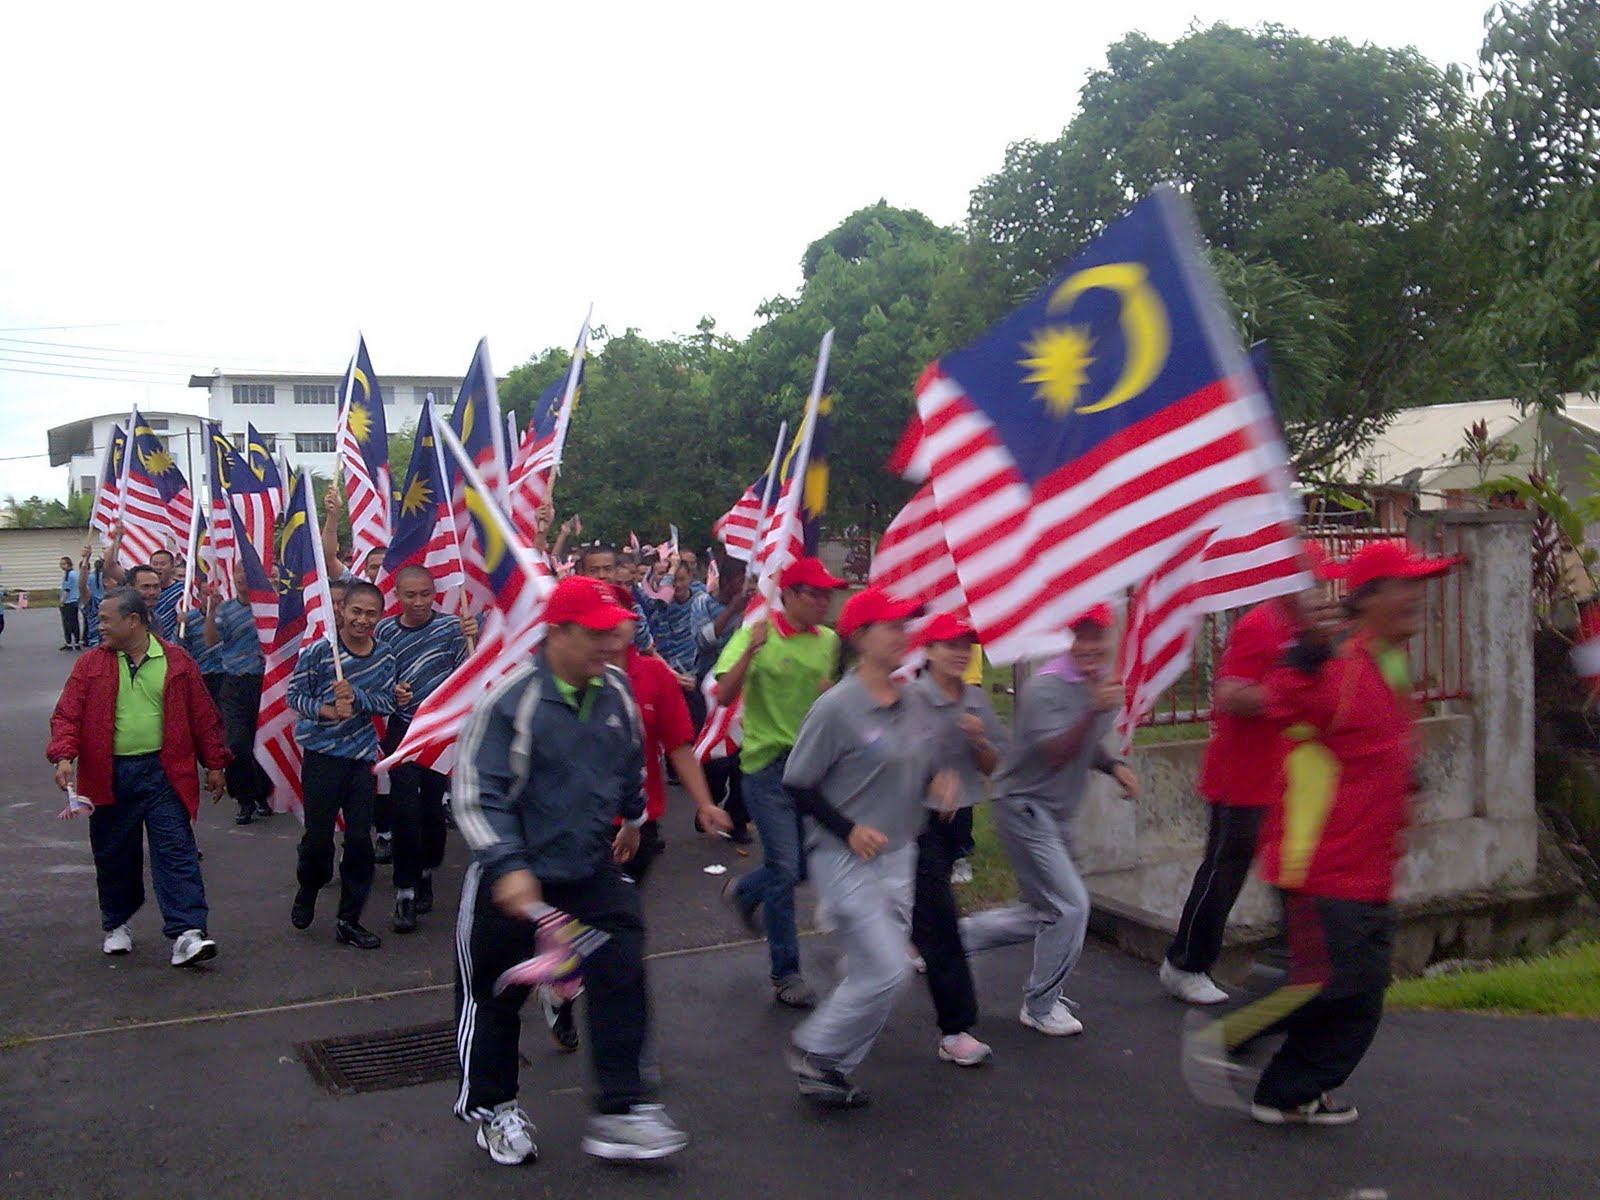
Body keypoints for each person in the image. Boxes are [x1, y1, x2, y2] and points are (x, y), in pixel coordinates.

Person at [1196, 538, 1459, 1127]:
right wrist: (1298, 655)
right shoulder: (1338, 665)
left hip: (1367, 864)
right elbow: (1282, 703)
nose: (1419, 596)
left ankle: (1290, 1090)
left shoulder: (1390, 664)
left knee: (1359, 996)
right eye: (1406, 584)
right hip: (1322, 865)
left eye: (1423, 583)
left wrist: (1408, 784)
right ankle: (1226, 1035)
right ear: (1367, 599)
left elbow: (1381, 742)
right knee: (1326, 985)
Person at [451, 575, 688, 1164]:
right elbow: (476, 793)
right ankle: (493, 1110)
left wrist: (633, 816)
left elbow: (630, 760)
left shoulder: (616, 691)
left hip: (588, 866)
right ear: (556, 633)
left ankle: (623, 1109)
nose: (610, 646)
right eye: (596, 635)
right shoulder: (512, 698)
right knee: (493, 994)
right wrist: (506, 864)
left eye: (615, 634)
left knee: (622, 968)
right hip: (514, 878)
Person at [782, 587, 962, 1106]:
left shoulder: (910, 701)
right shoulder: (836, 707)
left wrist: (940, 780)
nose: (903, 635)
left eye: (907, 626)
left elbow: (919, 760)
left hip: (900, 857)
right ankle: (815, 1050)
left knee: (874, 973)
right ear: (860, 637)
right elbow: (797, 783)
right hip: (845, 859)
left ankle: (830, 1069)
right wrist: (848, 829)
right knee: (890, 969)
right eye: (892, 626)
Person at [539, 586, 735, 1055]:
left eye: (620, 621)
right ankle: (575, 1000)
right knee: (600, 927)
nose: (612, 633)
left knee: (609, 927)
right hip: (580, 825)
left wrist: (705, 803)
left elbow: (678, 746)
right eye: (601, 625)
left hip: (637, 825)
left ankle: (576, 988)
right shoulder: (554, 680)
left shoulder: (652, 677)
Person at [1161, 545, 1341, 1005]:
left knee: (1296, 873)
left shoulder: (1311, 634)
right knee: (1225, 872)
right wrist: (1284, 697)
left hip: (1285, 778)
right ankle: (1185, 963)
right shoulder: (1261, 627)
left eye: (1322, 583)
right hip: (1240, 776)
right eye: (1312, 583)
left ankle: (1299, 971)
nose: (1320, 592)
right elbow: (1228, 694)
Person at [959, 604, 1140, 1037]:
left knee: (1042, 910)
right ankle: (1040, 1004)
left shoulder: (1097, 685)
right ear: (1070, 639)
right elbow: (1054, 751)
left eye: (1099, 637)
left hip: (1054, 811)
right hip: (1023, 806)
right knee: (1070, 905)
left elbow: (1087, 745)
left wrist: (1112, 766)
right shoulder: (1046, 688)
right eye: (1083, 636)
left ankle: (947, 940)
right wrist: (1093, 711)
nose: (1091, 646)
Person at [46, 586, 229, 965]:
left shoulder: (177, 662)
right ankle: (117, 924)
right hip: (108, 775)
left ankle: (187, 933)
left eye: (106, 620)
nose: (100, 627)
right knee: (114, 854)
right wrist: (63, 756)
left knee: (176, 851)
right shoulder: (90, 664)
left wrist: (214, 763)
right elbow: (68, 715)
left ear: (133, 621)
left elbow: (204, 718)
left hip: (165, 773)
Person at [716, 557, 847, 1008]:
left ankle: (746, 889)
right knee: (787, 868)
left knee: (809, 864)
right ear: (788, 595)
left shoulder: (828, 641)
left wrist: (832, 694)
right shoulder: (757, 635)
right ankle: (786, 972)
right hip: (766, 767)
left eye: (829, 594)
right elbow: (722, 694)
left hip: (811, 770)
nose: (825, 602)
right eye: (815, 593)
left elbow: (829, 694)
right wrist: (751, 651)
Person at [909, 614, 1010, 1068]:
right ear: (927, 651)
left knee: (929, 910)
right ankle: (956, 1029)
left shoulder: (974, 700)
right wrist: (931, 779)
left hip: (958, 819)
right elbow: (887, 761)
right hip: (913, 821)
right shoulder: (910, 700)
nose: (959, 652)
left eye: (966, 644)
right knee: (944, 920)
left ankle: (907, 931)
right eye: (948, 644)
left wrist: (981, 740)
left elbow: (992, 766)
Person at [286, 580, 397, 949]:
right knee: (318, 842)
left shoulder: (385, 656)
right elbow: (294, 695)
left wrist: (359, 697)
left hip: (361, 759)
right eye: (356, 611)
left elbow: (387, 703)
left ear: (380, 617)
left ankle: (349, 919)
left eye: (371, 613)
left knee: (359, 842)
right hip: (321, 757)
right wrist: (326, 710)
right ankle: (309, 887)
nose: (362, 620)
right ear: (342, 611)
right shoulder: (320, 653)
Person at [374, 566, 475, 933]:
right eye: (410, 595)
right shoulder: (384, 630)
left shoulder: (452, 628)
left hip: (439, 731)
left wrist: (471, 642)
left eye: (425, 595)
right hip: (402, 730)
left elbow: (467, 675)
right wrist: (392, 691)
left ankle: (427, 870)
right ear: (397, 596)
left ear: (435, 594)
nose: (418, 602)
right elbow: (377, 674)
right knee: (404, 810)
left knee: (433, 810)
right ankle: (404, 890)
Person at [205, 563, 274, 825]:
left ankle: (263, 795)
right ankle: (244, 799)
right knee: (235, 744)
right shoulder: (226, 609)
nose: (243, 576)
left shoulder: (269, 609)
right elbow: (211, 639)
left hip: (263, 683)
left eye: (248, 571)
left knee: (261, 742)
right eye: (238, 571)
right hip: (233, 683)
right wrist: (211, 609)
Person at [146, 549, 184, 640]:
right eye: (155, 564)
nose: (158, 567)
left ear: (172, 567)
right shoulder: (143, 590)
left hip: (174, 640)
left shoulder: (181, 590)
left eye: (163, 564)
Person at [59, 556, 82, 650]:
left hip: (68, 601)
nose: (61, 566)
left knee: (67, 623)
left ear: (69, 564)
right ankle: (77, 642)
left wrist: (62, 601)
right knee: (75, 622)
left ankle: (68, 643)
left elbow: (67, 589)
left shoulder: (68, 575)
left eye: (63, 564)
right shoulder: (75, 574)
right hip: (75, 600)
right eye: (61, 564)